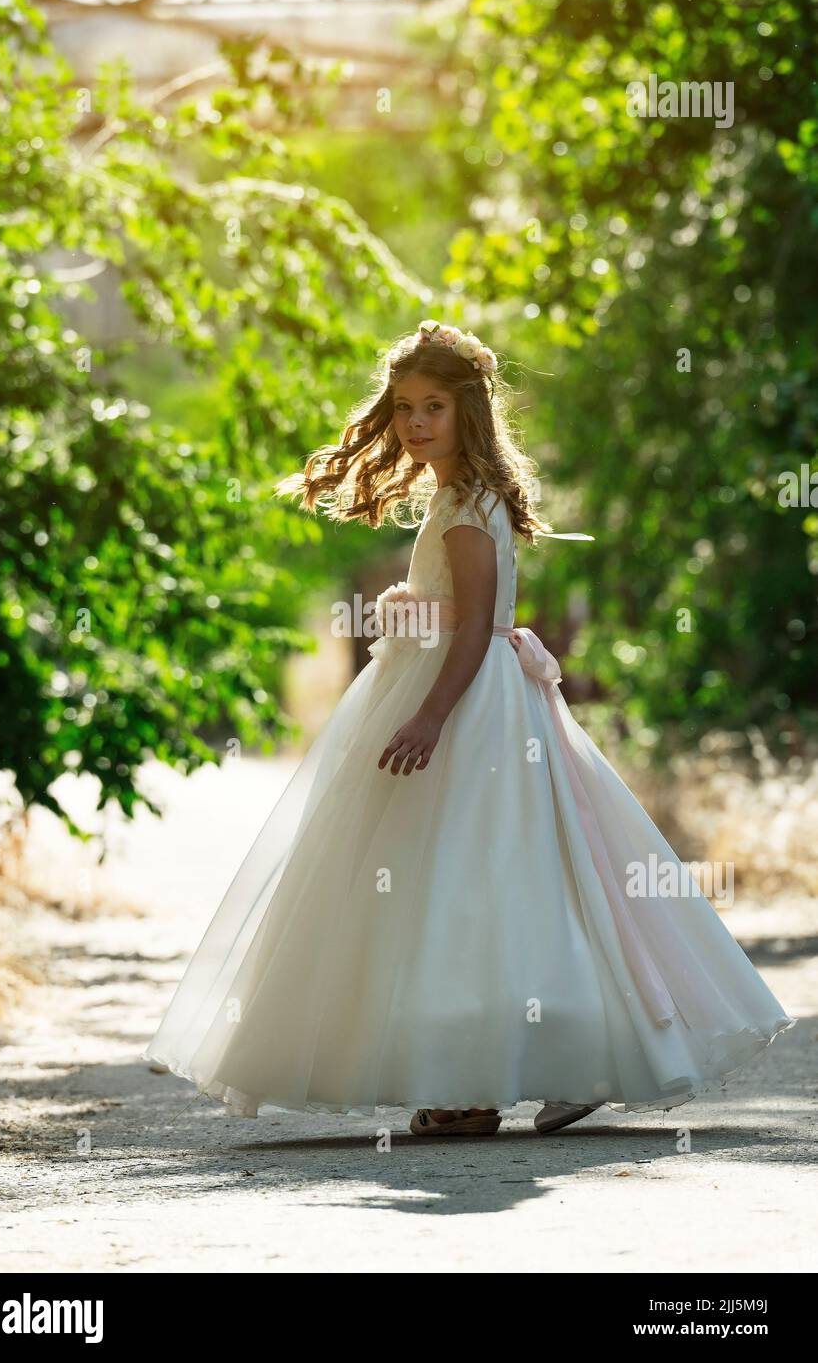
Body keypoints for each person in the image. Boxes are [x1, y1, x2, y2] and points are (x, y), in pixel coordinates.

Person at [141, 319, 796, 1138]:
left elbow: (476, 625)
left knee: (463, 880)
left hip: (469, 702)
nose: (415, 424)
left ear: (470, 413)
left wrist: (427, 715)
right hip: (472, 693)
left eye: (435, 408)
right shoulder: (461, 497)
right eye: (406, 408)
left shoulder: (465, 505)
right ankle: (515, 1066)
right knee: (492, 880)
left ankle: (477, 1084)